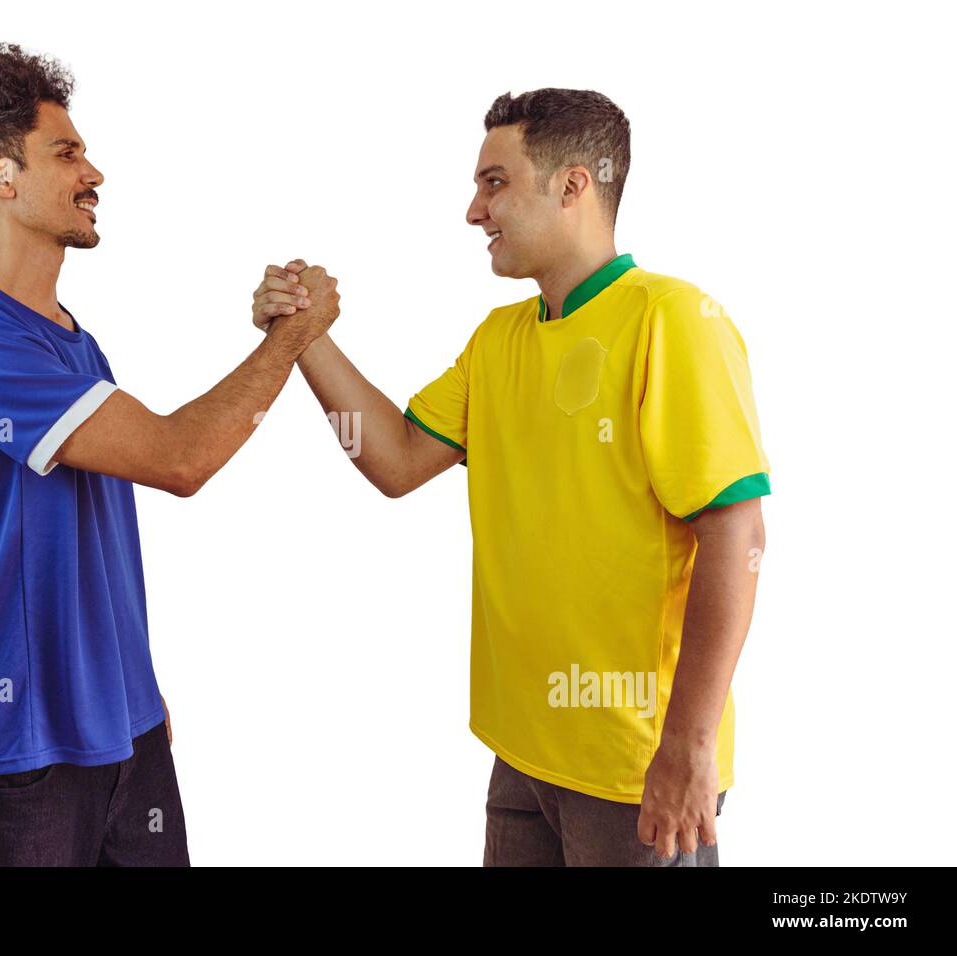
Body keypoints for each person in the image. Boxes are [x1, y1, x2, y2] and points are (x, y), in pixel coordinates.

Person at [251, 88, 769, 866]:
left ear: (572, 186)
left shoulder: (673, 319)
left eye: (494, 183)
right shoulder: (498, 339)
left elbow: (736, 532)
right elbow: (394, 459)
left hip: (633, 766)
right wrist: (303, 337)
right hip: (523, 753)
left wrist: (690, 747)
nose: (474, 211)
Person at [0, 43, 339, 866]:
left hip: (128, 735)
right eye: (65, 153)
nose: (93, 171)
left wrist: (134, 689)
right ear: (0, 178)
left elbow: (92, 540)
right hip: (21, 765)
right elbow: (180, 459)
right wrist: (292, 336)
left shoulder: (74, 342)